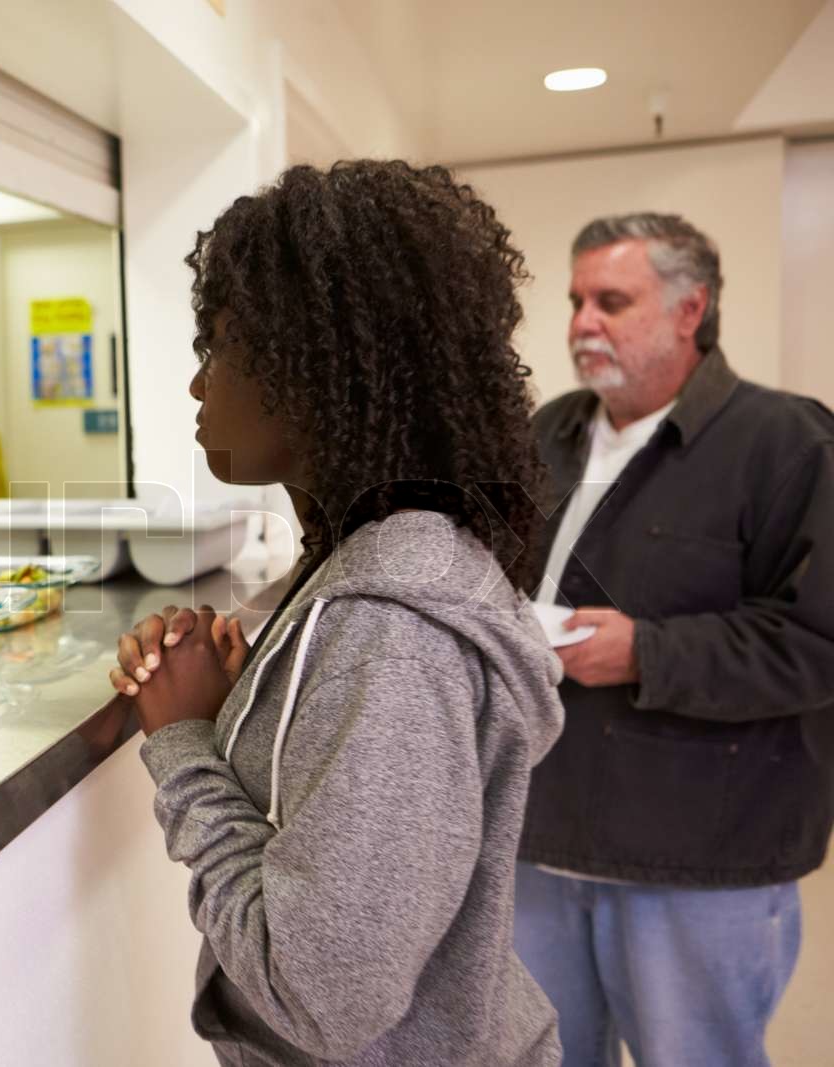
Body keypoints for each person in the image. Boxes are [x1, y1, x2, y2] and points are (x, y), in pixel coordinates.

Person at [107, 161, 566, 1065]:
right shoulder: (387, 560)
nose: (199, 387)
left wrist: (189, 744)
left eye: (222, 349)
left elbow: (323, 995)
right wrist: (262, 703)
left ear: (323, 367)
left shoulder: (387, 633)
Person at [514, 213, 834, 1067]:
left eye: (612, 300)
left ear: (691, 310)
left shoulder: (787, 444)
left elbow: (816, 643)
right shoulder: (547, 435)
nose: (582, 321)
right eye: (578, 299)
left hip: (698, 859)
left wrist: (646, 651)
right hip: (538, 839)